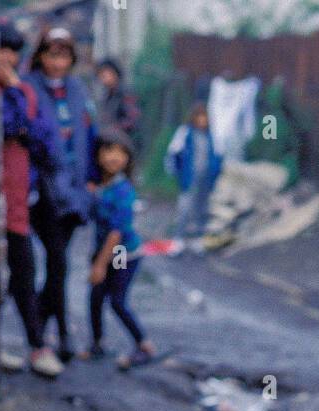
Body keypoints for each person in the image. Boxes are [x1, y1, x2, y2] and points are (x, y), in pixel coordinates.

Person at [0, 22, 64, 378]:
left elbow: (37, 137)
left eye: (13, 53)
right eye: (1, 51)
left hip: (20, 202)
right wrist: (10, 94)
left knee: (23, 274)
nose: (7, 59)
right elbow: (9, 127)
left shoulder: (23, 92)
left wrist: (14, 92)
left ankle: (37, 346)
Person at [27, 26, 98, 362]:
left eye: (64, 55)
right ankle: (62, 333)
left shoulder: (77, 90)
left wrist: (92, 181)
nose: (58, 63)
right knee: (58, 260)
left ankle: (42, 325)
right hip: (43, 190)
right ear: (41, 55)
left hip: (74, 189)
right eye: (52, 55)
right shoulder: (29, 89)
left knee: (58, 264)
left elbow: (89, 133)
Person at [84, 132, 156, 370]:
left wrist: (100, 265)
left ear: (127, 158)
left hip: (125, 253)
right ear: (98, 155)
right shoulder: (99, 186)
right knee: (95, 297)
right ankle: (97, 344)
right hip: (105, 250)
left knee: (116, 301)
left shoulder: (123, 190)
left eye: (120, 152)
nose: (114, 157)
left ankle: (143, 345)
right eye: (108, 151)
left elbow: (116, 232)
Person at [166, 102, 223, 242]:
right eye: (199, 116)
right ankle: (178, 239)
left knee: (202, 210)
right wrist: (176, 172)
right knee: (184, 209)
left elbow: (218, 155)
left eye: (204, 116)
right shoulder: (185, 132)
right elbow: (174, 153)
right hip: (189, 178)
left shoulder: (211, 136)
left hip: (206, 180)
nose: (202, 120)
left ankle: (199, 239)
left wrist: (215, 174)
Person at [94, 58, 140, 141]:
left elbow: (133, 120)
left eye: (104, 74)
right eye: (100, 75)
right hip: (111, 143)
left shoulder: (125, 93)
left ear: (114, 72)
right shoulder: (107, 96)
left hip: (125, 144)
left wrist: (113, 129)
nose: (102, 78)